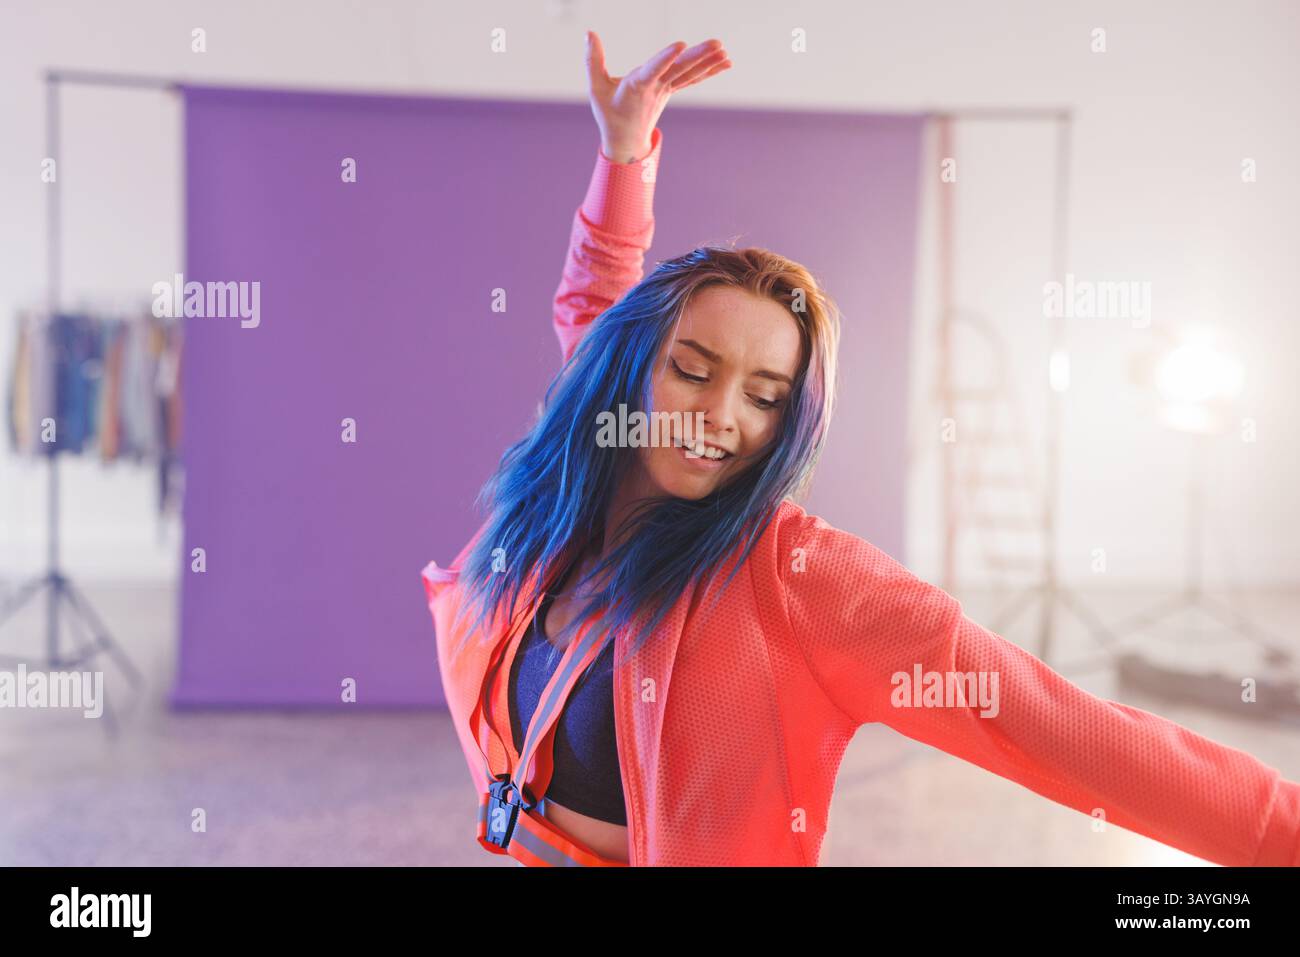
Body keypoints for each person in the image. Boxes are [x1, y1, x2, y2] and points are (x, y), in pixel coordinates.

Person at [421, 32, 1300, 867]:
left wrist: (1280, 833)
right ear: (629, 371)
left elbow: (1057, 725)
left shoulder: (798, 578)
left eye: (766, 396)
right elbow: (599, 298)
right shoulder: (590, 450)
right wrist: (625, 151)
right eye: (692, 369)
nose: (721, 414)